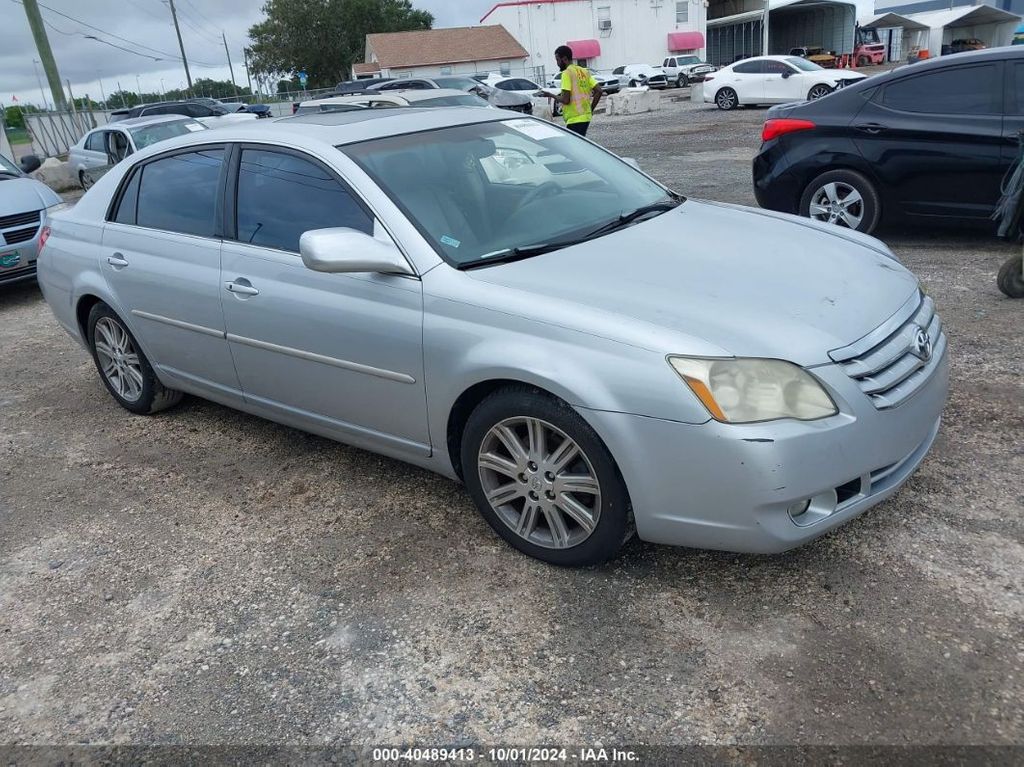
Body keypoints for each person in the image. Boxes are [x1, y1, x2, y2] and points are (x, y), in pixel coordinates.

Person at [551, 45, 602, 137]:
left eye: (558, 60)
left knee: (574, 149)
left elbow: (566, 100)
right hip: (585, 117)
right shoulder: (584, 71)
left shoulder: (566, 73)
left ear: (565, 59)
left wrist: (551, 95)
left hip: (574, 118)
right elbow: (599, 91)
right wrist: (590, 109)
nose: (557, 63)